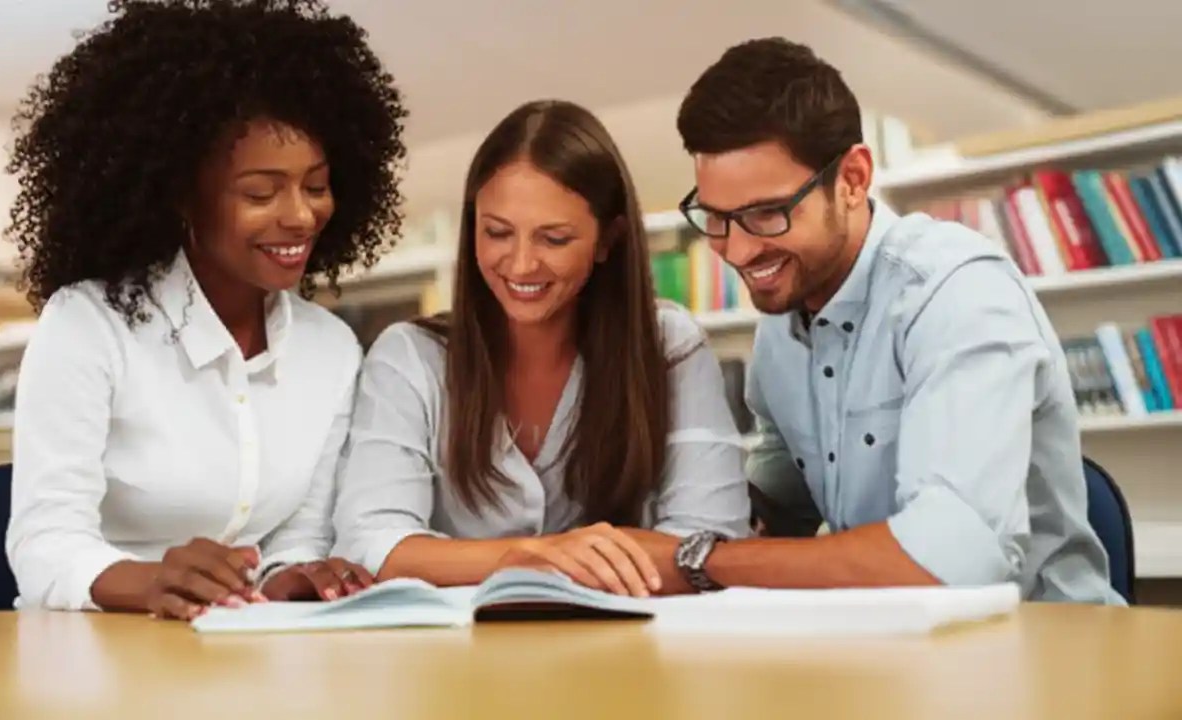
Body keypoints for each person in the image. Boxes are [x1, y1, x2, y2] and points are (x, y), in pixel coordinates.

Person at [645, 37, 1122, 603]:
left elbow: (951, 559)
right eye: (717, 218)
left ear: (852, 178)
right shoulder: (784, 320)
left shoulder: (955, 291)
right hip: (888, 651)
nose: (738, 251)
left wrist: (703, 560)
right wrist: (685, 503)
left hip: (1038, 648)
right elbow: (785, 500)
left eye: (766, 214)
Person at [4, 0, 407, 620]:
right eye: (260, 192)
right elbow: (44, 542)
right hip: (92, 660)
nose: (300, 215)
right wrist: (148, 580)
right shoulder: (89, 326)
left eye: (317, 185)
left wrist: (294, 576)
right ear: (182, 196)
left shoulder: (332, 351)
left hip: (241, 658)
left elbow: (296, 535)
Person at [332, 100, 751, 597]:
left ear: (607, 240)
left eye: (553, 239)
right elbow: (371, 545)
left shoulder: (666, 345)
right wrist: (522, 557)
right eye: (497, 233)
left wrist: (483, 560)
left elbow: (709, 541)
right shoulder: (410, 358)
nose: (522, 264)